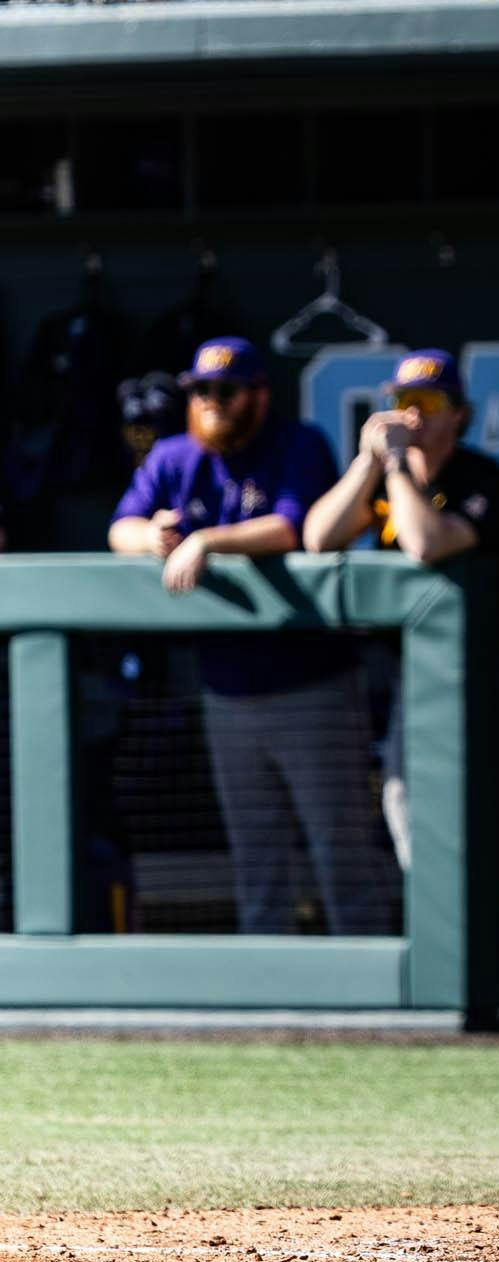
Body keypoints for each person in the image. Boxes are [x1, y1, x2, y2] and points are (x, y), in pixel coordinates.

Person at [108, 336, 395, 935]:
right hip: (226, 690)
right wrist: (154, 537)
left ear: (258, 395)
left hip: (311, 684)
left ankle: (373, 990)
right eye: (201, 391)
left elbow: (292, 527)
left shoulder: (297, 444)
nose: (212, 401)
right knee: (257, 854)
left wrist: (206, 540)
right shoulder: (173, 457)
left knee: (339, 846)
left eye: (226, 390)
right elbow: (121, 529)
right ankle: (276, 995)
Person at [301, 350, 499, 1009]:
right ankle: (444, 966)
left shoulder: (483, 476)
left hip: (490, 673)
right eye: (404, 399)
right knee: (404, 809)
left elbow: (427, 542)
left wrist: (397, 465)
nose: (413, 414)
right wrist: (367, 462)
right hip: (416, 678)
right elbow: (318, 536)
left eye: (429, 404)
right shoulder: (385, 475)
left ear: (458, 414)